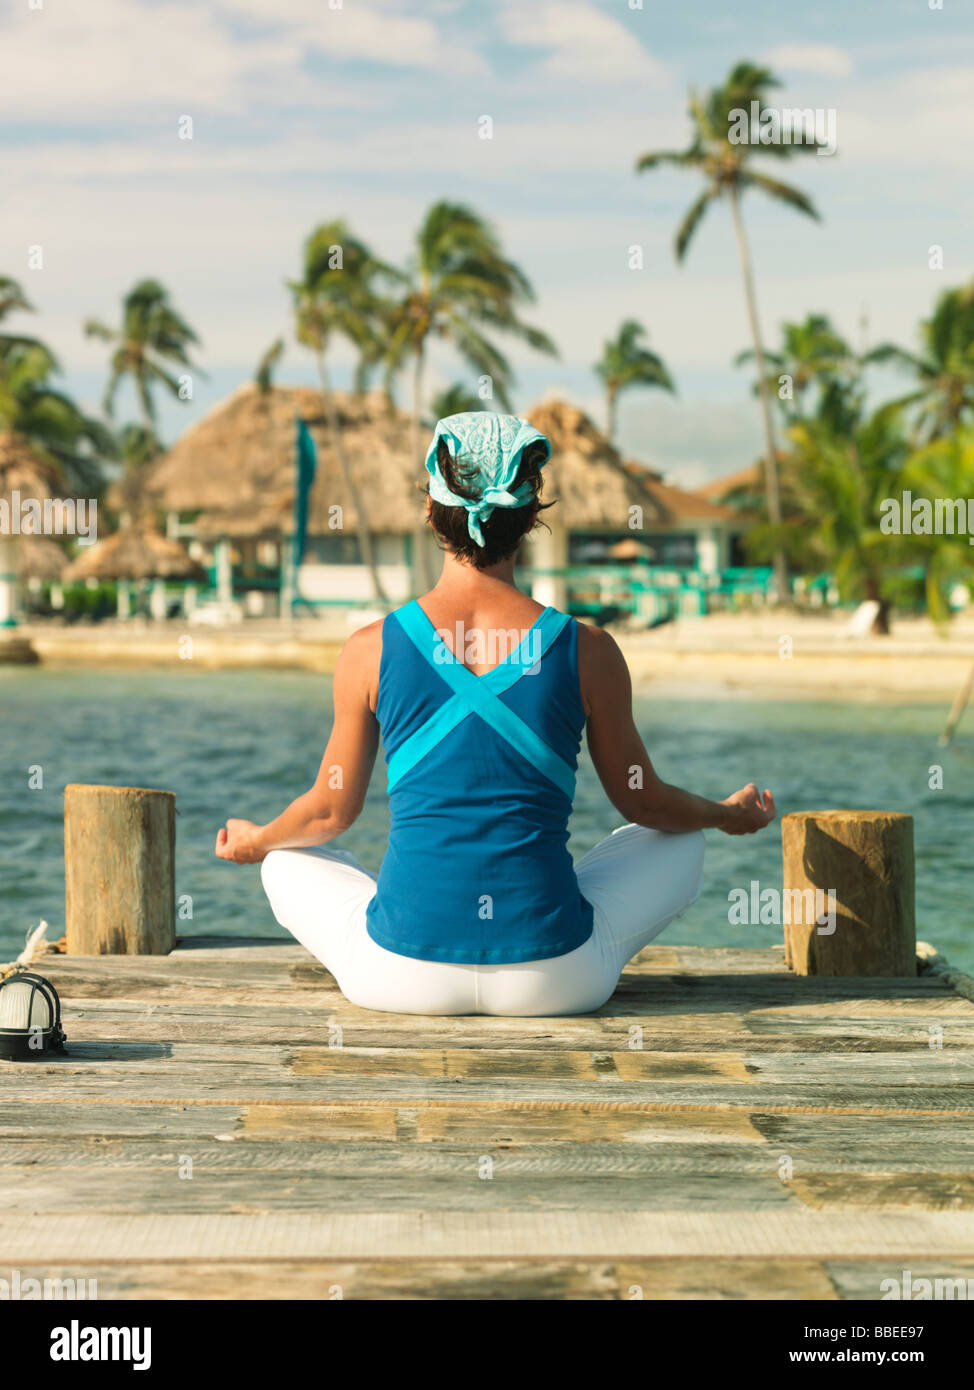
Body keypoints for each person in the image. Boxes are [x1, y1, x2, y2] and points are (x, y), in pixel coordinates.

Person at [216, 412, 775, 1015]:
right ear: (532, 518)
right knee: (681, 843)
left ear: (431, 512)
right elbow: (643, 802)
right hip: (557, 978)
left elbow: (330, 810)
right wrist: (725, 814)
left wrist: (257, 841)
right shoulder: (589, 650)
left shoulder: (369, 649)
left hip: (400, 975)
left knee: (287, 859)